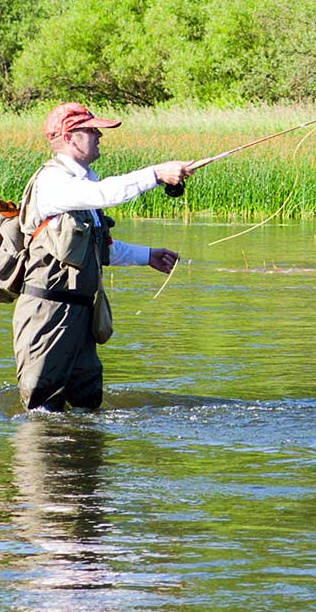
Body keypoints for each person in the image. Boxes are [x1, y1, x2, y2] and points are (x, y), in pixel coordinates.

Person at [12, 102, 195, 412]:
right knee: (41, 408)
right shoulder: (53, 182)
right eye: (92, 130)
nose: (99, 135)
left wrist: (148, 256)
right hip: (47, 312)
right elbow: (108, 194)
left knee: (87, 403)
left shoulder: (84, 183)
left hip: (82, 314)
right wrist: (157, 173)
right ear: (68, 138)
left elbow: (100, 248)